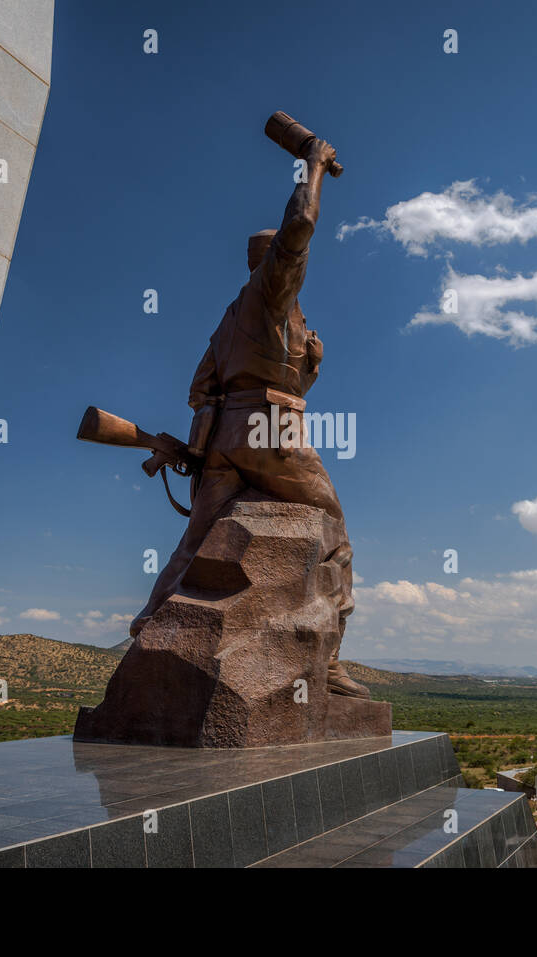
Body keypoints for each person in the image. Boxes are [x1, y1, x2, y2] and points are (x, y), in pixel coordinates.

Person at [130, 137, 368, 699]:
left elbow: (199, 390)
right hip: (271, 430)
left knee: (195, 543)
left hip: (226, 441)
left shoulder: (229, 321)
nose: (300, 268)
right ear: (273, 263)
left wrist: (200, 446)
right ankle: (328, 660)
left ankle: (148, 626)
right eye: (289, 261)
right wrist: (313, 164)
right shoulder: (268, 295)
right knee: (334, 536)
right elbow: (301, 226)